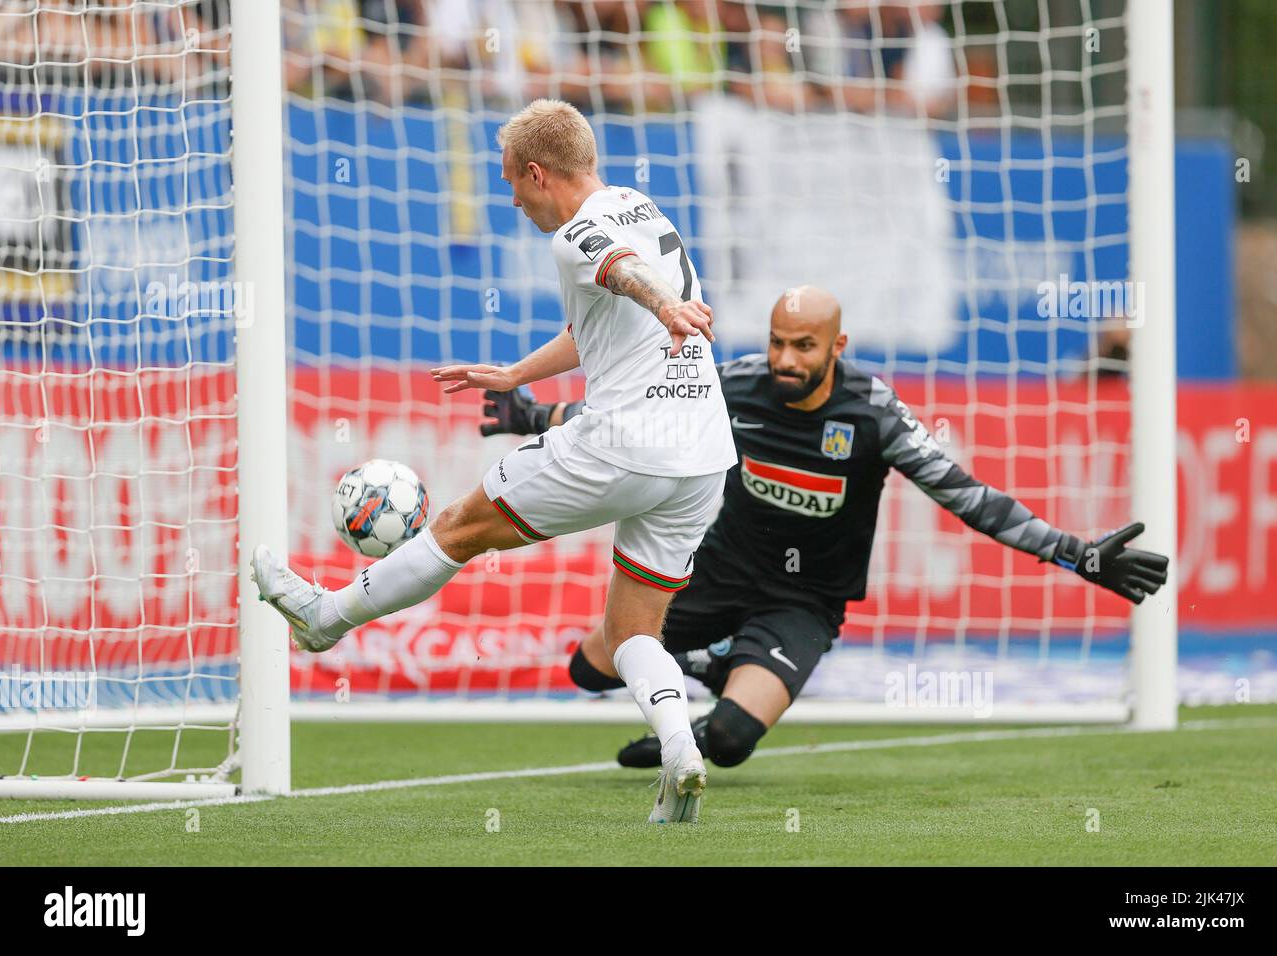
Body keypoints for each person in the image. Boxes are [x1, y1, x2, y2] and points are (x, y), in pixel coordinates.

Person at [251, 99, 737, 824]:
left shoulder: (576, 235)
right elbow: (602, 316)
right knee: (633, 629)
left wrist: (665, 307)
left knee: (459, 527)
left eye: (513, 182)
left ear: (539, 173)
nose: (511, 197)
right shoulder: (638, 204)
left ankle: (326, 618)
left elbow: (622, 273)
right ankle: (679, 751)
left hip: (627, 441)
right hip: (703, 455)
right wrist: (516, 375)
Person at [481, 285, 1170, 769]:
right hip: (713, 574)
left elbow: (969, 497)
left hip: (802, 602)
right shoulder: (738, 384)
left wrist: (1076, 554)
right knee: (586, 671)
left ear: (836, 345)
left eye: (803, 347)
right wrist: (534, 418)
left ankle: (731, 674)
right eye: (779, 342)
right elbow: (633, 418)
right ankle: (712, 663)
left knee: (726, 742)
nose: (786, 359)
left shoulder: (875, 417)